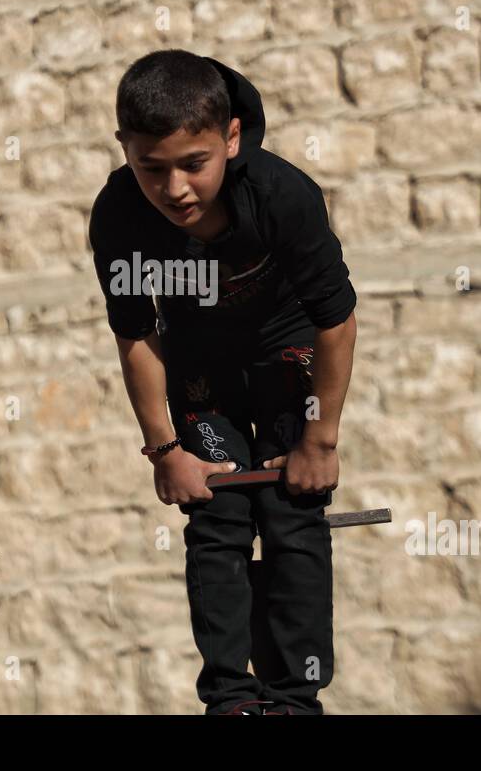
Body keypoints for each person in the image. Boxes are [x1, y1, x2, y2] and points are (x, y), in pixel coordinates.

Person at [89, 49, 358, 714]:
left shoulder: (282, 196)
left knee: (293, 512)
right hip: (199, 361)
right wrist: (165, 451)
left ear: (231, 139)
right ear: (125, 148)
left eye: (193, 164)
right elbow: (137, 335)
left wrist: (319, 441)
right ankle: (230, 699)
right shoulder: (120, 217)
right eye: (151, 167)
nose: (174, 188)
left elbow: (336, 323)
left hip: (287, 348)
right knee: (216, 517)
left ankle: (295, 697)